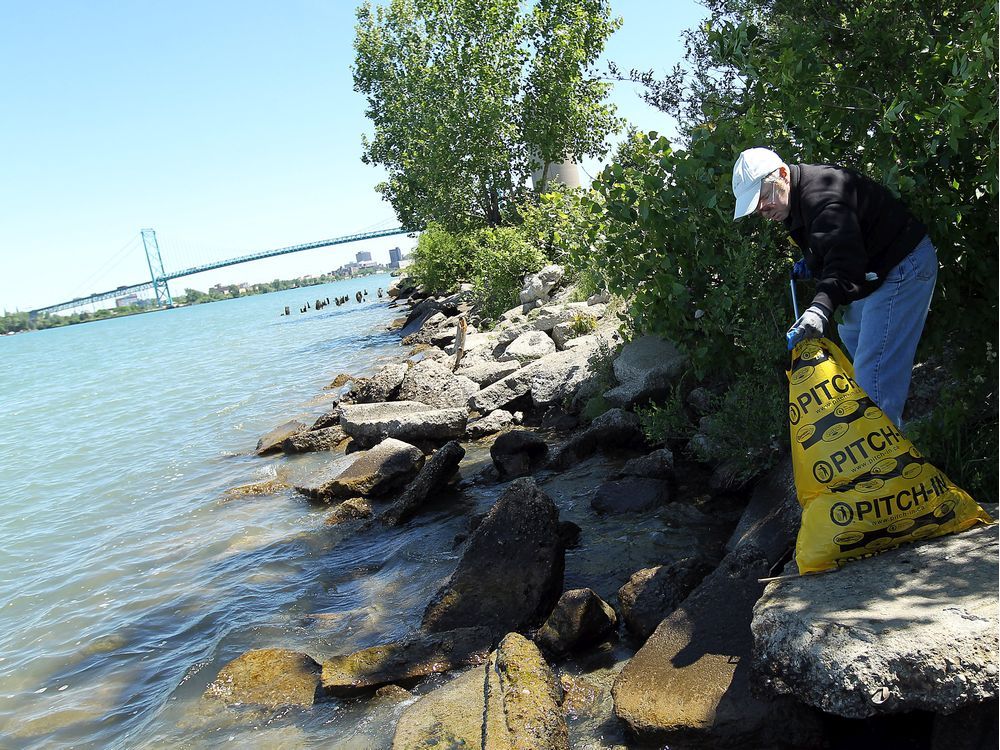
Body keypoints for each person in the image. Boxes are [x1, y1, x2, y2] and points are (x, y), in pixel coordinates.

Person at [731, 147, 937, 427]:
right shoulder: (790, 196)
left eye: (763, 197)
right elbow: (831, 239)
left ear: (781, 174)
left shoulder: (822, 196)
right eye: (755, 206)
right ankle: (891, 426)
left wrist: (819, 309)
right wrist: (813, 260)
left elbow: (845, 263)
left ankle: (881, 463)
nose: (762, 209)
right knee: (850, 332)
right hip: (876, 265)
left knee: (871, 376)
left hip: (904, 265)